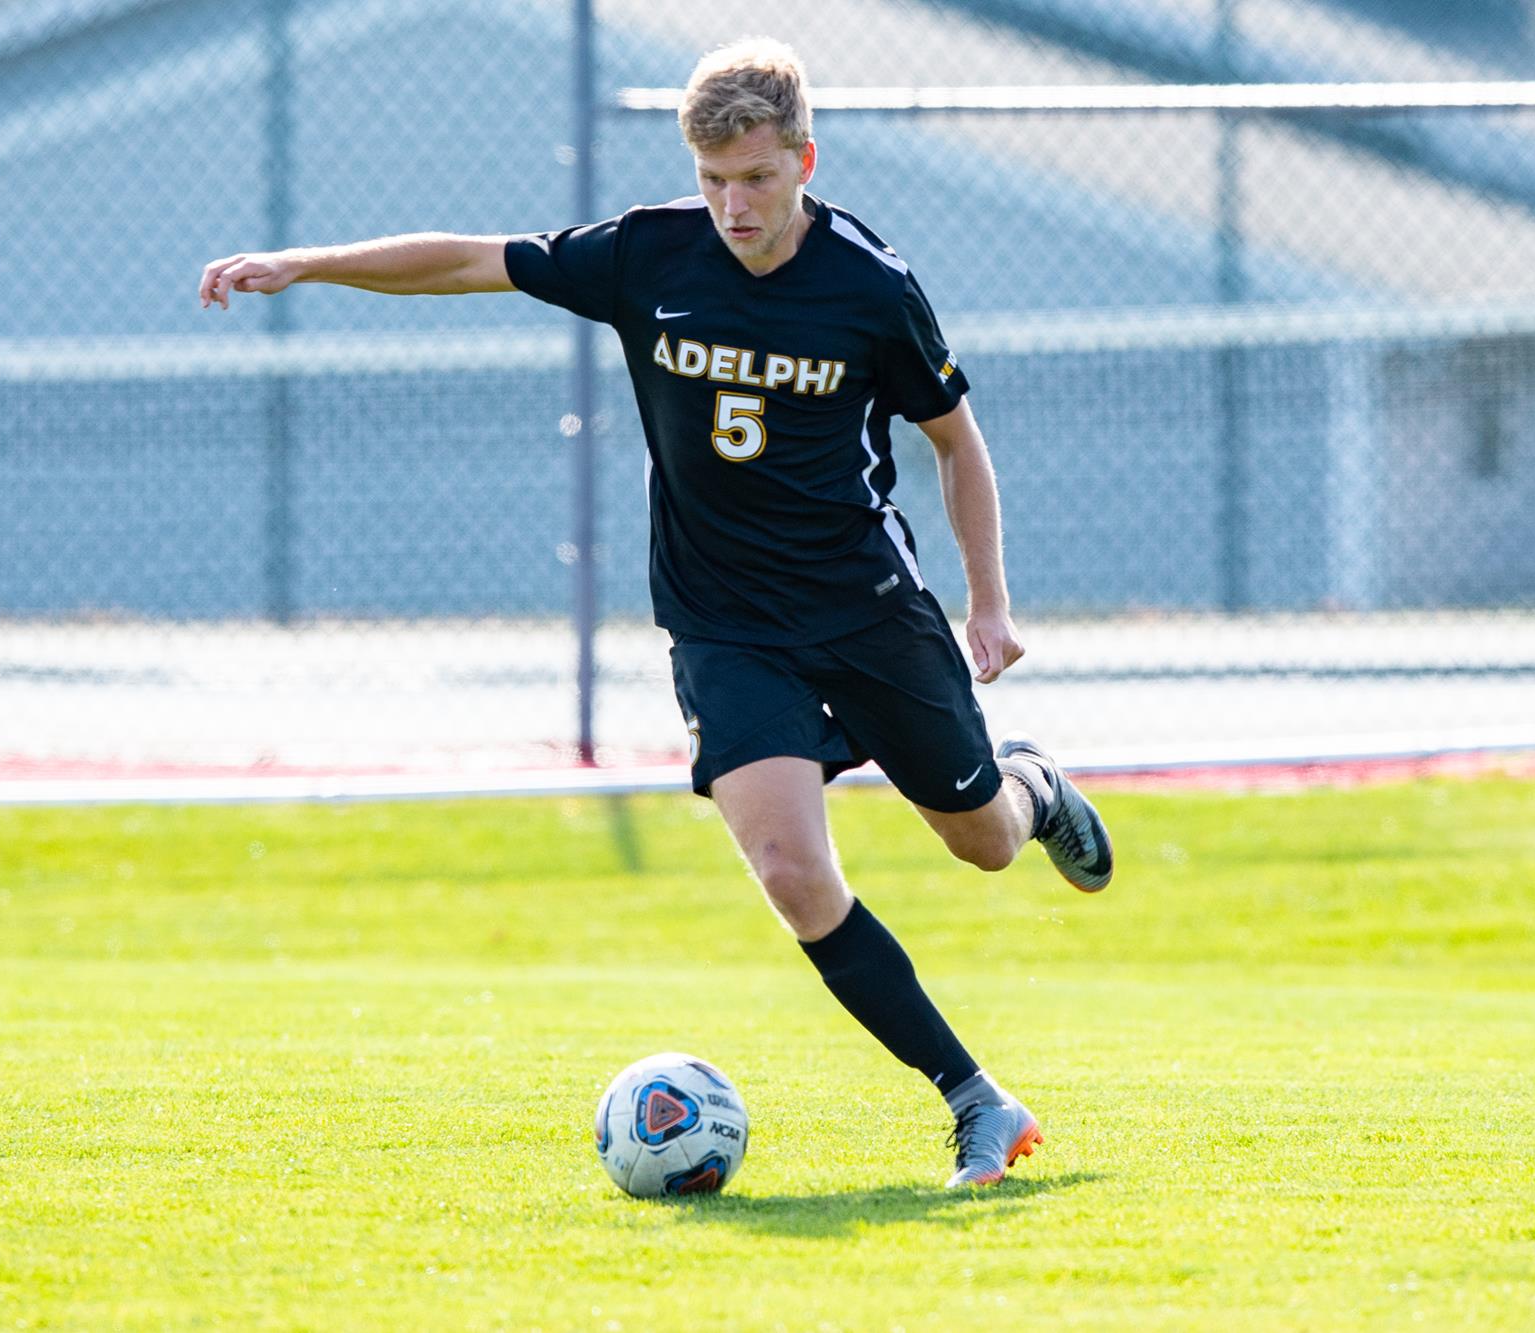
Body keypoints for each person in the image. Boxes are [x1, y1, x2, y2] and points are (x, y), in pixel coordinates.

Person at [198, 36, 1113, 1189]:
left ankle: (1031, 786)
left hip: (865, 609)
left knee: (980, 841)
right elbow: (471, 260)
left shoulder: (870, 285)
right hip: (722, 623)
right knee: (789, 871)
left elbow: (953, 441)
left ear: (804, 162)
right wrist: (306, 264)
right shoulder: (649, 252)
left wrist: (988, 601)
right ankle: (977, 1099)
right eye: (712, 179)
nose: (733, 206)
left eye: (756, 178)